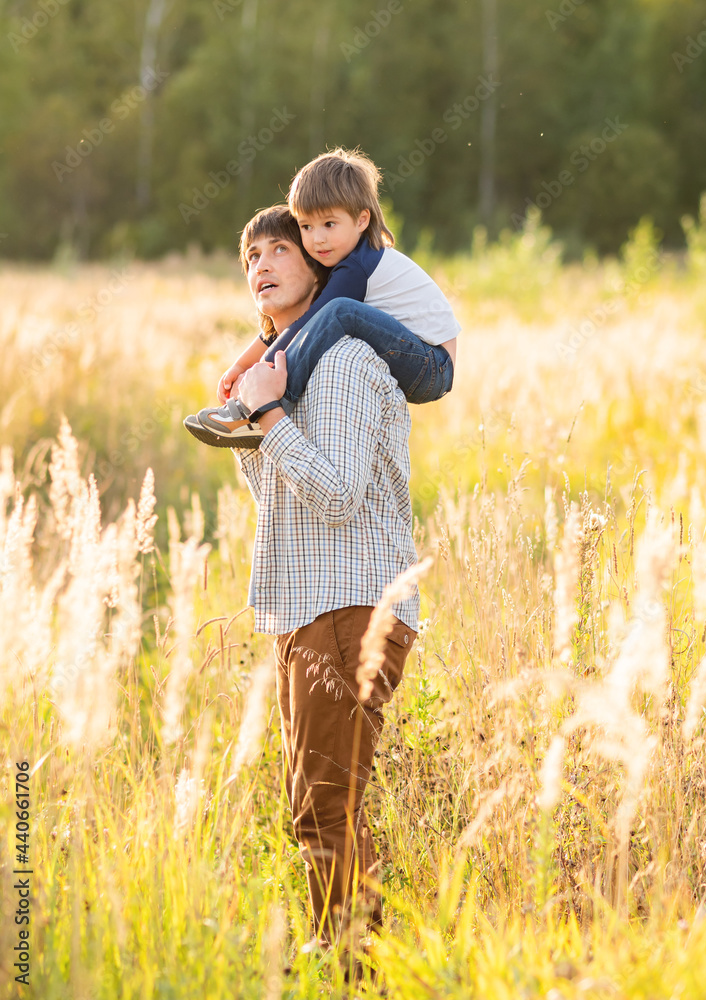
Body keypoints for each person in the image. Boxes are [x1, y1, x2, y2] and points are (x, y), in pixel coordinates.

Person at [228, 204, 420, 955]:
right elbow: (283, 497)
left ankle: (350, 971)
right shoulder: (292, 365)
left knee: (323, 808)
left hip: (351, 608)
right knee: (319, 806)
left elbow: (337, 494)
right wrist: (252, 413)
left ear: (321, 263)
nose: (263, 264)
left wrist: (270, 417)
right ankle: (349, 960)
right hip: (305, 607)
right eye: (251, 256)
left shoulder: (342, 361)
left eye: (282, 248)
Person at [183, 147, 459, 448]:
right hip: (420, 358)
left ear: (362, 220)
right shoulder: (348, 259)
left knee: (341, 312)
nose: (317, 239)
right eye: (306, 226)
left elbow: (308, 322)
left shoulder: (356, 269)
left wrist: (260, 376)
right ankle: (261, 400)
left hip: (433, 365)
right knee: (332, 314)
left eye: (329, 224)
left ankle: (268, 404)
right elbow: (300, 324)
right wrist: (240, 366)